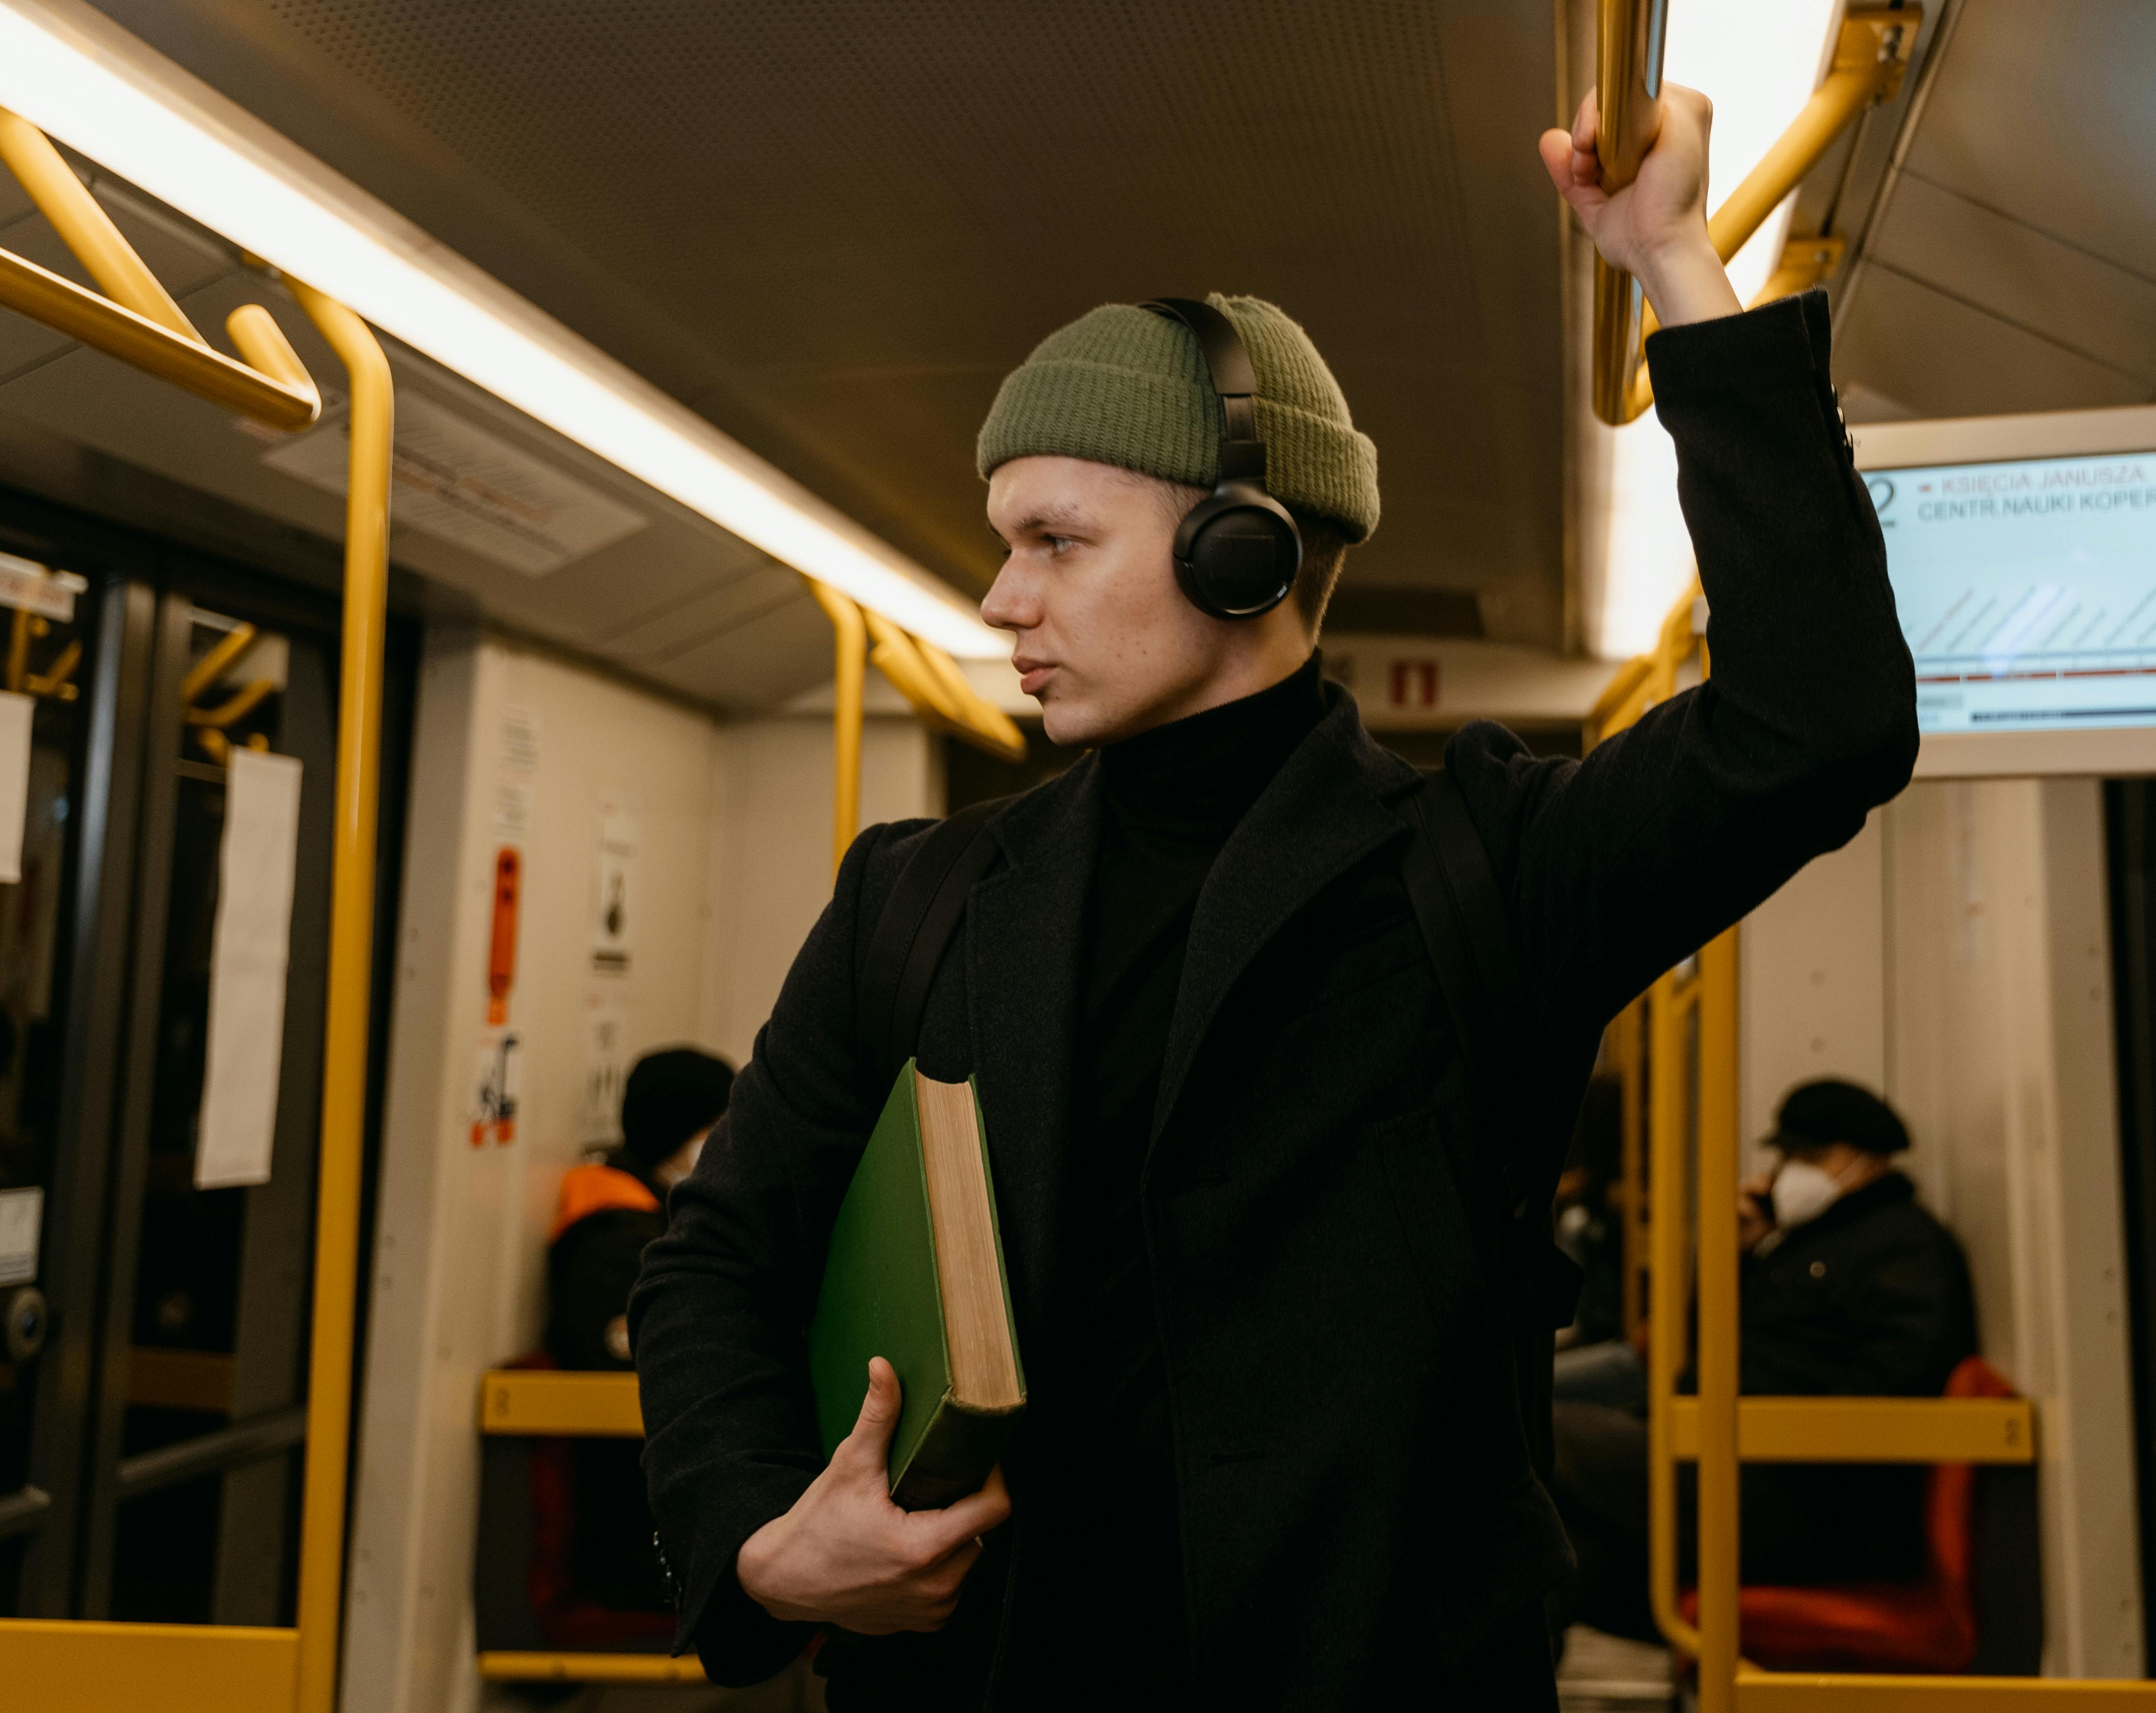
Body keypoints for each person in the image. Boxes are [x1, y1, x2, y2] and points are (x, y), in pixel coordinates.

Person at [627, 83, 1920, 1710]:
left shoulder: (1485, 867)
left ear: (1241, 548)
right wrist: (756, 1541)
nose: (998, 595)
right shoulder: (921, 893)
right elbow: (718, 1254)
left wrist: (1673, 262)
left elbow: (1820, 722)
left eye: (1053, 539)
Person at [1548, 1079, 1978, 1642]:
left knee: (1533, 1427)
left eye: (1810, 1157)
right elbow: (1710, 1353)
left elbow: (1898, 1382)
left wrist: (1759, 1417)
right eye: (1784, 1157)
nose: (1785, 1173)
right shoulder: (1797, 1242)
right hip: (1735, 1458)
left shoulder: (1906, 1246)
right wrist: (1733, 1257)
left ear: (1870, 1156)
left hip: (1804, 1492)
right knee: (1561, 1542)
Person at [540, 1045, 736, 1618]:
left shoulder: (662, 1224)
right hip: (633, 1540)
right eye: (716, 1129)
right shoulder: (614, 1248)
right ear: (675, 1133)